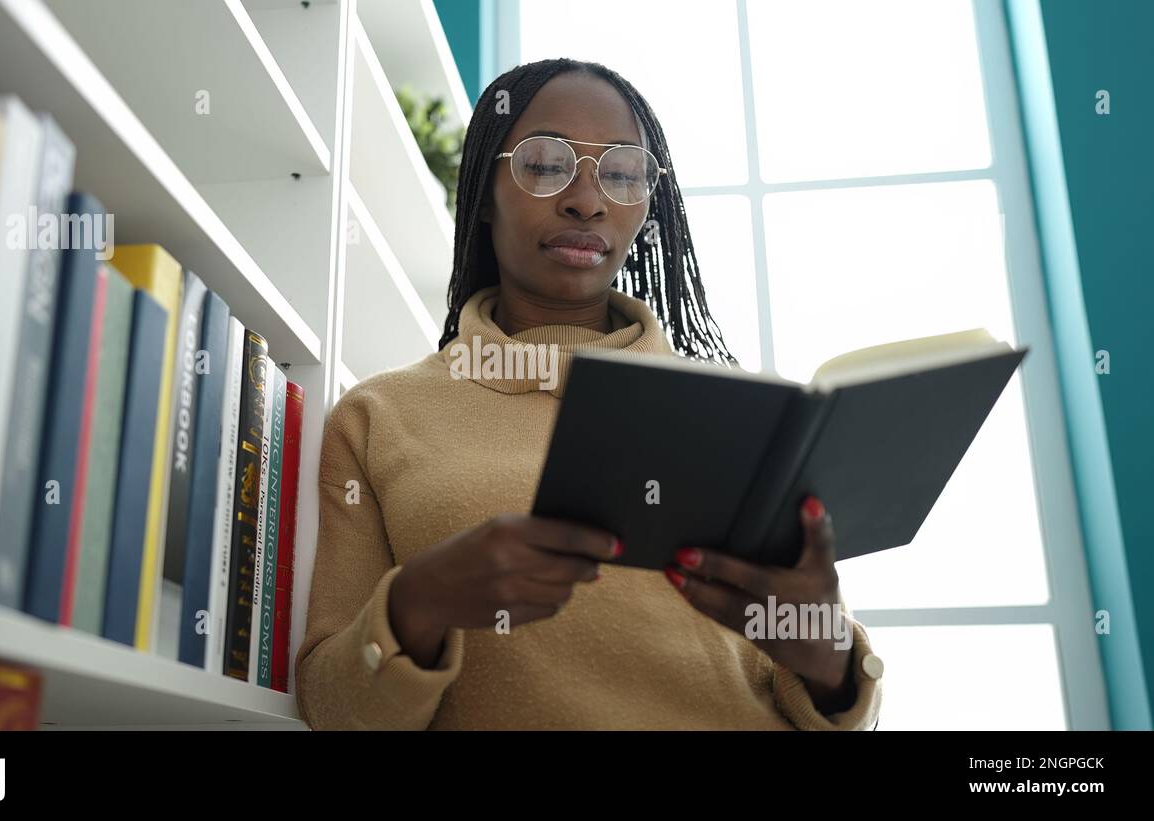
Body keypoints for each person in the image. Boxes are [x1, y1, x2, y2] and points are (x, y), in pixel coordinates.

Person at [294, 58, 883, 730]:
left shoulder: (738, 411)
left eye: (623, 172)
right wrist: (418, 604)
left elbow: (838, 702)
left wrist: (828, 655)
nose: (587, 199)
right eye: (545, 165)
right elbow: (330, 706)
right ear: (483, 193)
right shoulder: (376, 418)